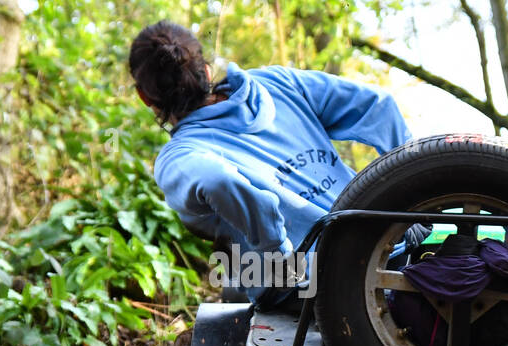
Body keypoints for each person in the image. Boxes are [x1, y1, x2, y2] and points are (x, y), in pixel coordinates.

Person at [128, 21, 412, 306]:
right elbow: (379, 106)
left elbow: (218, 181)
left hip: (316, 290)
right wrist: (412, 200)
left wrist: (278, 255)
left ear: (144, 97)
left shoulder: (179, 157)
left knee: (235, 288)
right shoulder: (276, 83)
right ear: (206, 70)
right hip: (389, 241)